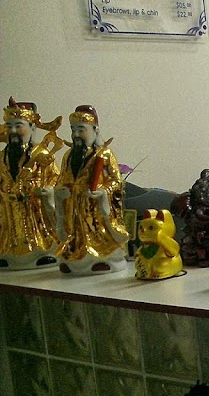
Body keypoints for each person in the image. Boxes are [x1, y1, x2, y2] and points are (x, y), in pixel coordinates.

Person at [49, 105, 129, 274]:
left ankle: (103, 258)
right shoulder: (68, 155)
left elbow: (116, 181)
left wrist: (103, 192)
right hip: (74, 207)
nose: (76, 135)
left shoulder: (104, 155)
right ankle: (75, 258)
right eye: (73, 130)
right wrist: (60, 191)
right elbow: (62, 179)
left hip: (95, 209)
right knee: (74, 236)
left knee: (97, 234)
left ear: (95, 130)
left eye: (81, 130)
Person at [0, 98, 63, 269]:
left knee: (39, 238)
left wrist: (48, 191)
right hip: (9, 210)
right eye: (9, 126)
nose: (13, 131)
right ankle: (7, 253)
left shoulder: (42, 154)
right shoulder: (2, 157)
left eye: (18, 126)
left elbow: (56, 179)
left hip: (36, 210)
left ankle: (42, 251)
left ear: (32, 128)